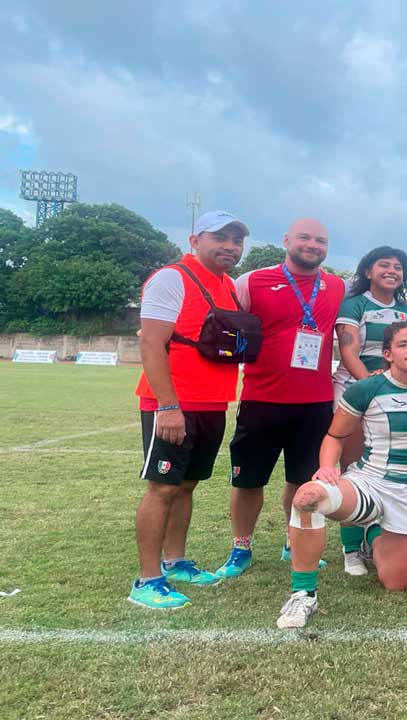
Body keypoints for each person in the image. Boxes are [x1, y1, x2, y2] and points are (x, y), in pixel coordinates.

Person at [277, 321, 407, 628]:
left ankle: (374, 530)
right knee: (307, 498)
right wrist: (327, 466)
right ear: (388, 354)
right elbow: (334, 436)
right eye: (404, 344)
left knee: (396, 582)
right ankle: (304, 594)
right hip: (371, 483)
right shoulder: (366, 389)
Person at [129, 210, 249, 609]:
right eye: (220, 238)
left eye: (237, 240)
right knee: (162, 487)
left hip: (212, 402)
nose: (230, 247)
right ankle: (148, 579)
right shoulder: (171, 278)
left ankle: (175, 561)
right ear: (195, 240)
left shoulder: (227, 285)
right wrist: (168, 406)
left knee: (186, 485)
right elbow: (151, 343)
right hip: (173, 403)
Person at [214, 218, 346, 579]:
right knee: (247, 481)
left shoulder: (337, 287)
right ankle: (241, 547)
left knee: (303, 482)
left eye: (321, 240)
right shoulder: (252, 281)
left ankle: (293, 541)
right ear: (286, 240)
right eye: (305, 237)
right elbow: (220, 322)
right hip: (262, 400)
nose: (313, 245)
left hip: (315, 405)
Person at [330, 246, 407, 575]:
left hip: (394, 396)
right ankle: (351, 549)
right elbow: (349, 353)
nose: (392, 271)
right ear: (368, 271)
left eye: (398, 266)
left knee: (388, 467)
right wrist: (372, 387)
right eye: (384, 265)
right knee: (352, 468)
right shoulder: (355, 304)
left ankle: (381, 537)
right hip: (356, 392)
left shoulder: (406, 311)